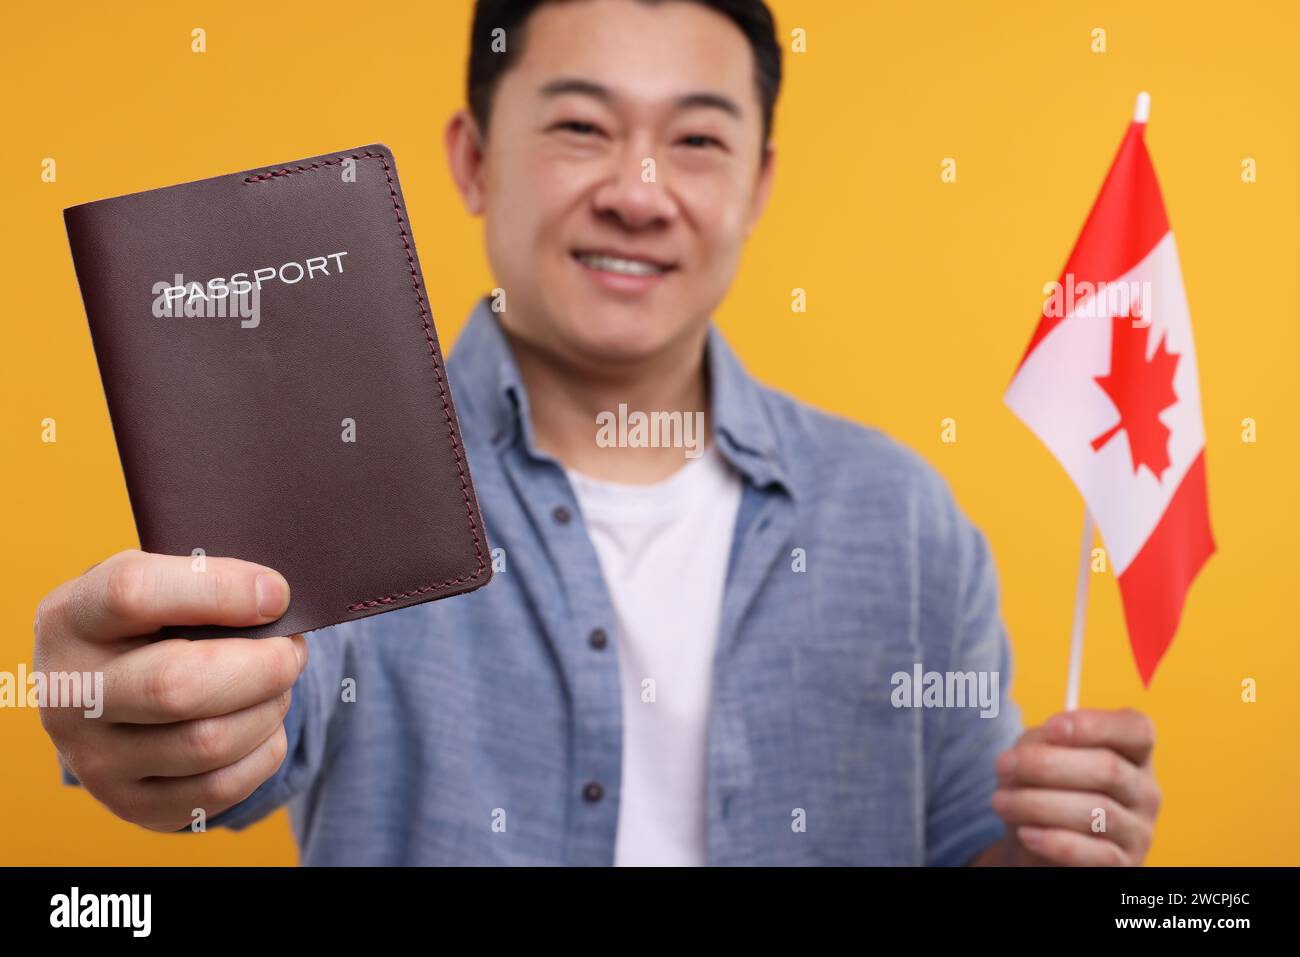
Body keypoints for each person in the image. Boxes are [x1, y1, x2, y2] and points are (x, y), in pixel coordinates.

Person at [34, 0, 1161, 865]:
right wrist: (130, 720)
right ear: (472, 158)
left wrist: (1048, 847)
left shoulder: (905, 518)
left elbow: (968, 848)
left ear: (760, 187)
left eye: (700, 142)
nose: (639, 189)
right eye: (580, 125)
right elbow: (216, 765)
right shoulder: (332, 471)